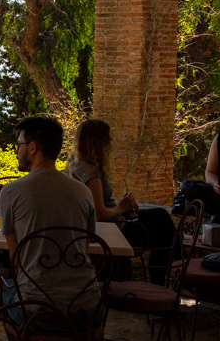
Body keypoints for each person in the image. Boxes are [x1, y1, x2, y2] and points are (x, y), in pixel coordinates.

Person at [0, 115, 100, 341]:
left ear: (32, 147)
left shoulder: (12, 192)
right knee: (52, 289)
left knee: (8, 291)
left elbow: (17, 264)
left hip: (39, 313)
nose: (16, 150)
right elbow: (86, 244)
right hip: (86, 310)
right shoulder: (82, 191)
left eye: (18, 144)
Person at [64, 118, 175, 285]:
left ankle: (163, 277)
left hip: (113, 225)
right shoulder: (90, 173)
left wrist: (124, 207)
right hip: (112, 231)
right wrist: (122, 207)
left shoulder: (77, 167)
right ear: (98, 141)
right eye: (108, 137)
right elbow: (100, 214)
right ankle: (164, 278)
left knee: (160, 218)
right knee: (162, 223)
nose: (111, 141)